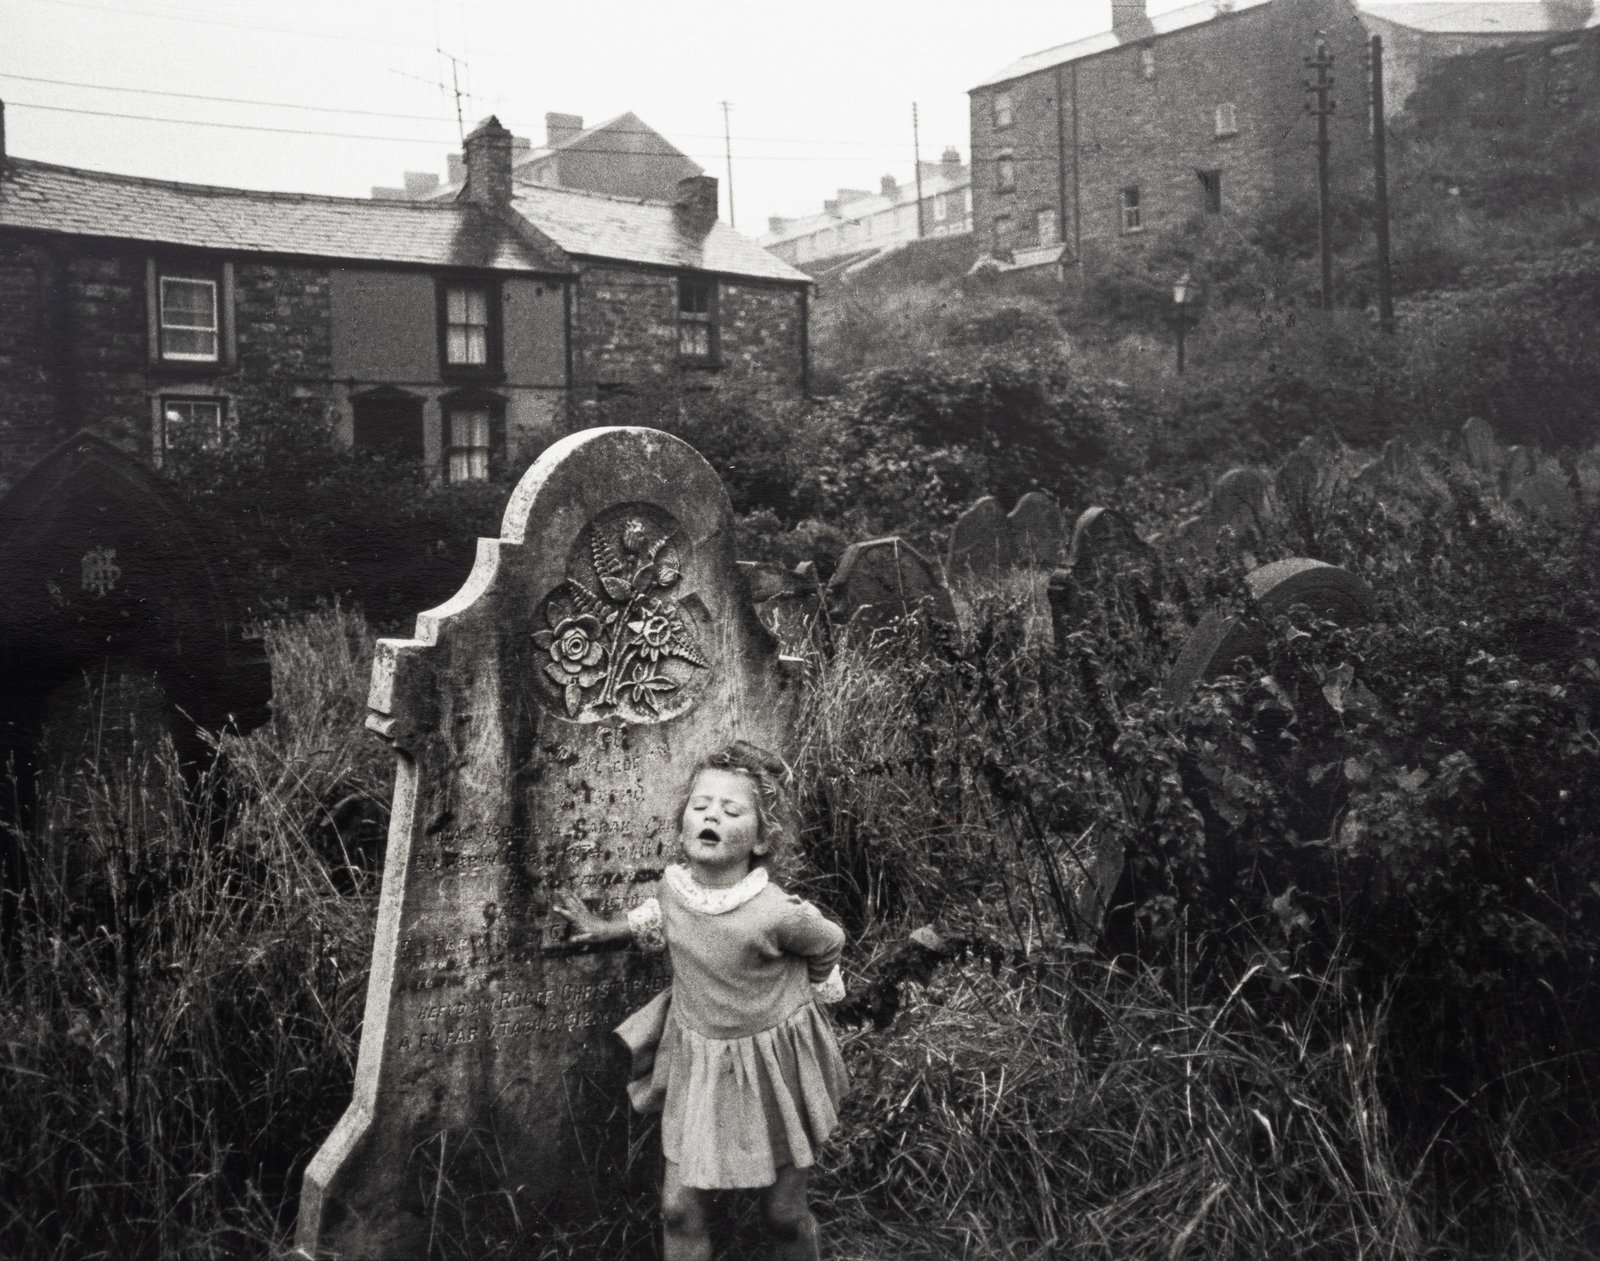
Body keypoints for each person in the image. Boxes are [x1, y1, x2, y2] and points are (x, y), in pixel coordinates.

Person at [557, 740, 848, 1261]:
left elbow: (827, 940)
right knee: (678, 1210)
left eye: (731, 810)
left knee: (782, 1215)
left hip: (771, 1069)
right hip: (699, 1066)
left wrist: (819, 991)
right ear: (683, 822)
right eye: (700, 805)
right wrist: (606, 929)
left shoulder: (777, 913)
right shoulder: (674, 889)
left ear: (761, 839)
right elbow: (658, 916)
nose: (711, 814)